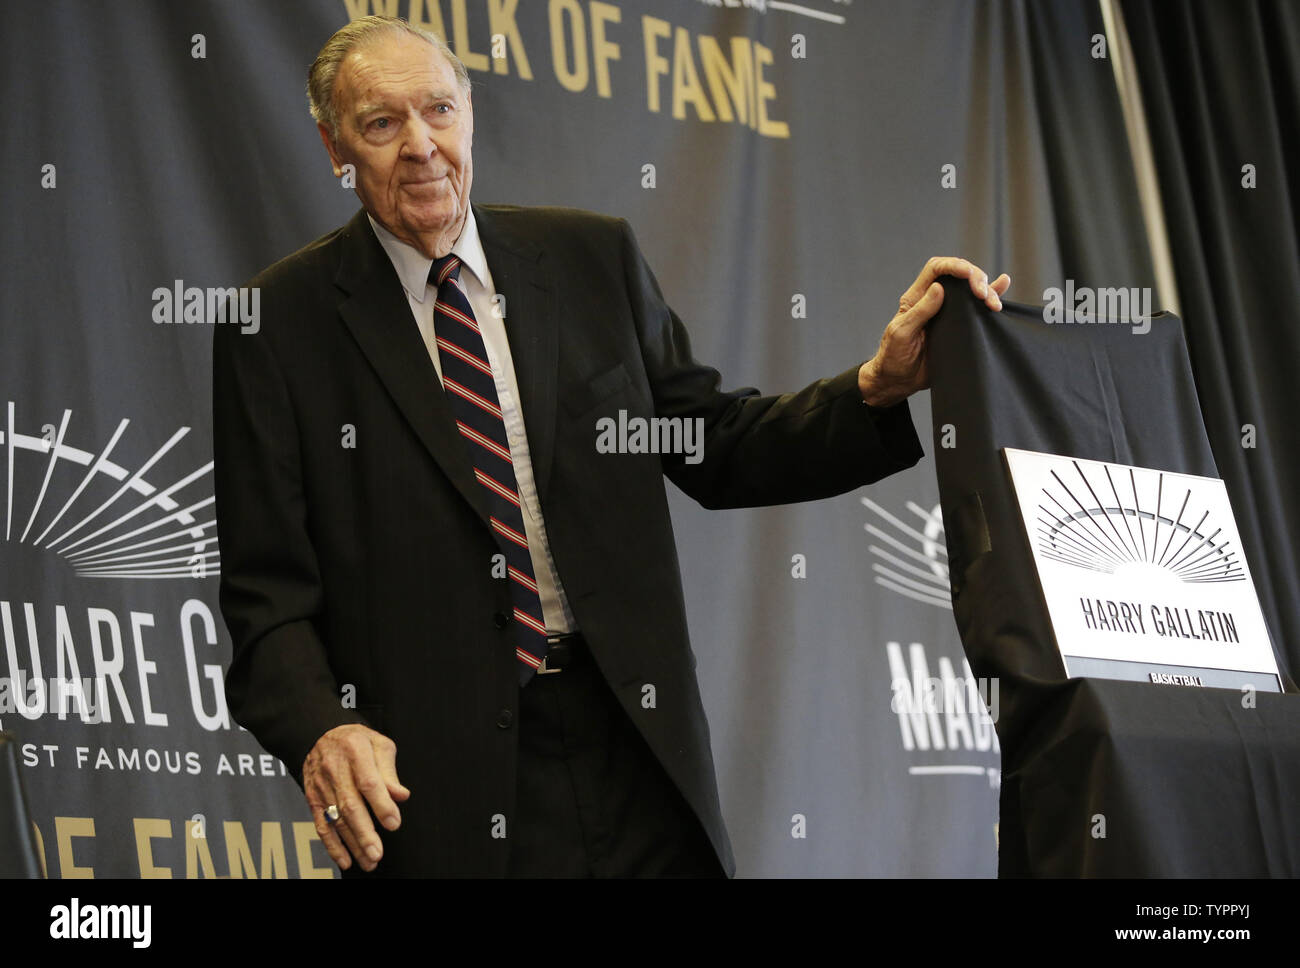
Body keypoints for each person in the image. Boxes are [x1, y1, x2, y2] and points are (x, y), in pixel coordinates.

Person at [212, 15, 1010, 878]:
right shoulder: (279, 326)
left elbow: (716, 443)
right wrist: (321, 728)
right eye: (381, 123)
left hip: (638, 746)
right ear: (335, 145)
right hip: (440, 788)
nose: (421, 145)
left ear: (470, 112)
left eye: (439, 110)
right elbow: (269, 600)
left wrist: (874, 388)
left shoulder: (592, 260)